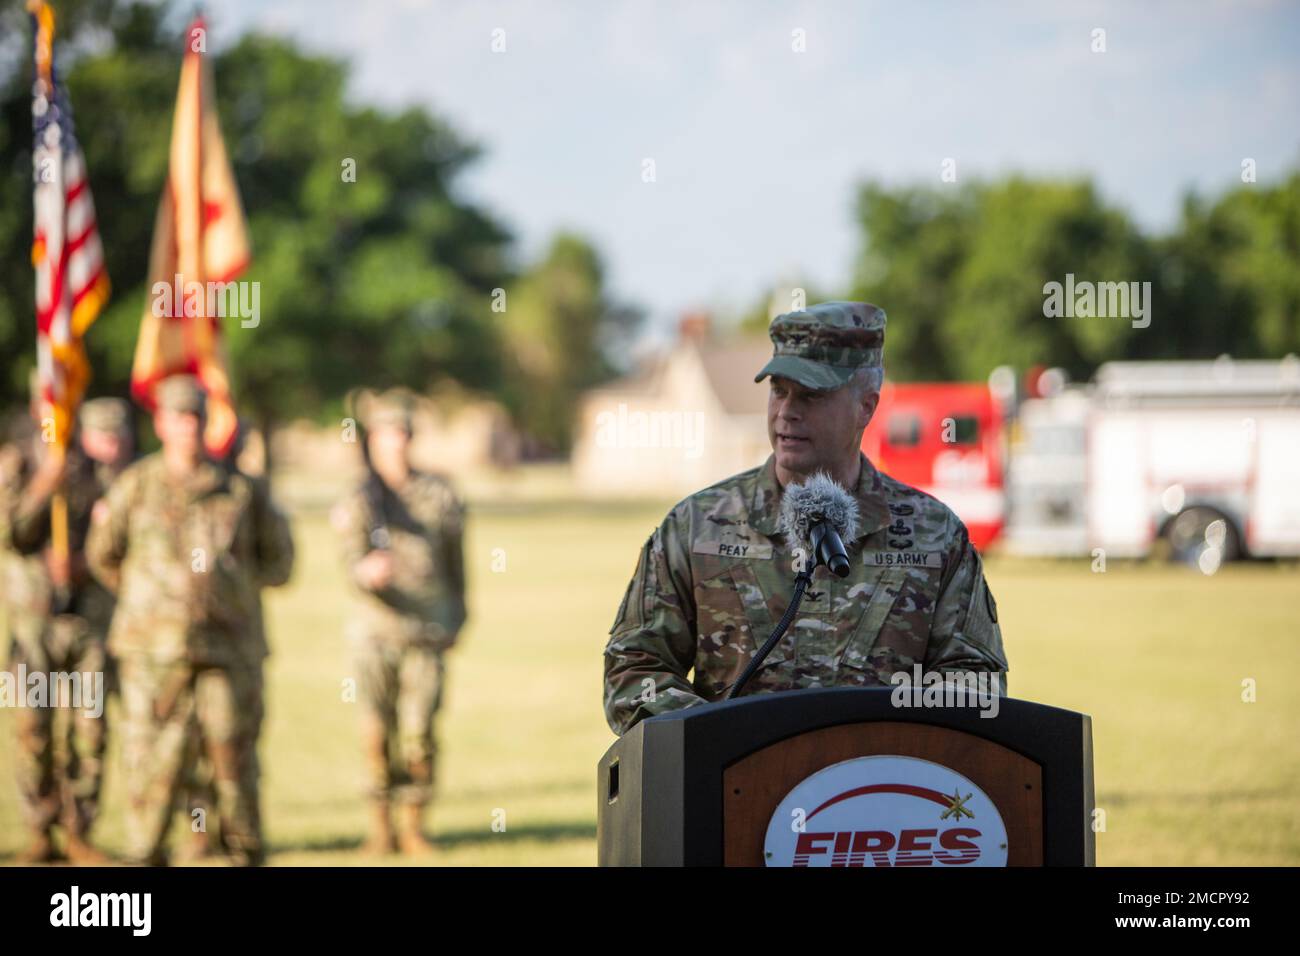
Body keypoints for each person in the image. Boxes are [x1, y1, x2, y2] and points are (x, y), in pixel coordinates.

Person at [602, 301, 1009, 735]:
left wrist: (884, 745)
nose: (786, 412)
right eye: (779, 390)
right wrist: (715, 736)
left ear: (866, 407)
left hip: (879, 794)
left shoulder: (934, 535)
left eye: (811, 396)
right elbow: (633, 670)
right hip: (731, 792)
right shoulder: (695, 527)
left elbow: (977, 685)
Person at [86, 376, 294, 865]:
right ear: (159, 423)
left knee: (234, 760)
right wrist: (154, 602)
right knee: (151, 760)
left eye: (195, 417)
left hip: (229, 650)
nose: (187, 427)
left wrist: (230, 593)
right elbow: (104, 556)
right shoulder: (137, 485)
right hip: (152, 653)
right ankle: (146, 855)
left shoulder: (241, 490)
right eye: (177, 417)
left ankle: (241, 850)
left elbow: (278, 562)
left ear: (206, 422)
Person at [332, 389, 466, 856]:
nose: (396, 442)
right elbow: (348, 559)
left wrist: (458, 618)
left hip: (426, 629)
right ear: (373, 438)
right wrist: (366, 572)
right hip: (374, 632)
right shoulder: (360, 498)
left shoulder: (439, 494)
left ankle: (413, 826)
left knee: (419, 732)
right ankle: (380, 827)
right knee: (374, 731)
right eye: (387, 433)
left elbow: (457, 564)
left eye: (403, 432)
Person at [0, 392, 133, 863]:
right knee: (33, 729)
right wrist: (44, 483)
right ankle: (40, 829)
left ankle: (80, 831)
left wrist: (82, 562)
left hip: (87, 624)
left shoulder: (95, 467)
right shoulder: (17, 463)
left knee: (89, 729)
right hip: (33, 627)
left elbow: (118, 537)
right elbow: (10, 532)